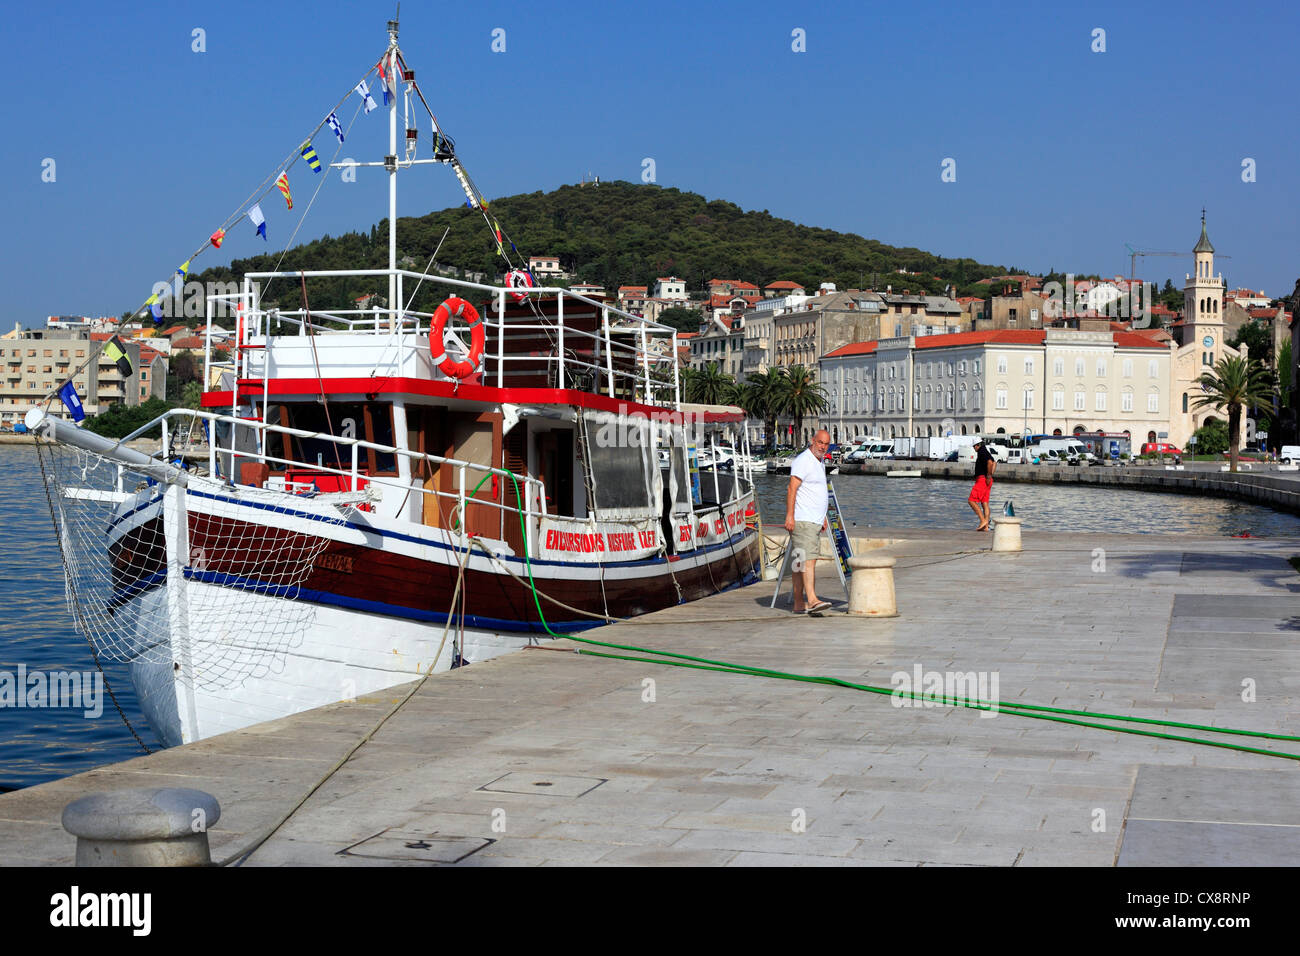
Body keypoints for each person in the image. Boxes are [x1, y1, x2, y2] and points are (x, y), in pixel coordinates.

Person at [785, 429, 832, 614]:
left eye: (826, 444)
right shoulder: (804, 461)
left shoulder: (819, 462)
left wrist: (823, 516)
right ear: (813, 441)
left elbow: (816, 491)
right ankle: (812, 599)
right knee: (809, 560)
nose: (823, 446)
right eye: (820, 442)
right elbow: (792, 488)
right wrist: (790, 515)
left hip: (812, 520)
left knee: (799, 564)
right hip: (804, 520)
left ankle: (798, 604)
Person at [968, 437, 996, 531]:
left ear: (978, 445)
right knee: (985, 503)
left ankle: (983, 520)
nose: (974, 448)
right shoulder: (985, 451)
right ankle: (986, 526)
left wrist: (988, 476)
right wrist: (990, 476)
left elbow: (990, 463)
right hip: (986, 480)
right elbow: (994, 462)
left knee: (971, 501)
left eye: (974, 446)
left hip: (982, 480)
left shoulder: (982, 452)